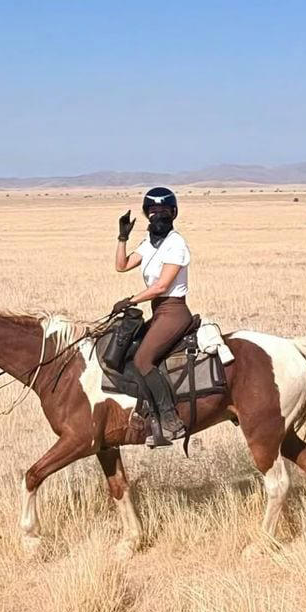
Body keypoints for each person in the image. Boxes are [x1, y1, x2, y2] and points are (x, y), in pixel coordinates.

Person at [112, 186, 191, 445]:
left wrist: (129, 300)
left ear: (173, 213)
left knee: (144, 359)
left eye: (164, 211)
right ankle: (144, 412)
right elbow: (121, 266)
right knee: (128, 348)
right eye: (154, 211)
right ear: (147, 214)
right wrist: (122, 237)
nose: (159, 216)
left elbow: (161, 287)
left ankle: (170, 419)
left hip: (174, 311)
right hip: (158, 311)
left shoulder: (176, 244)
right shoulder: (149, 243)